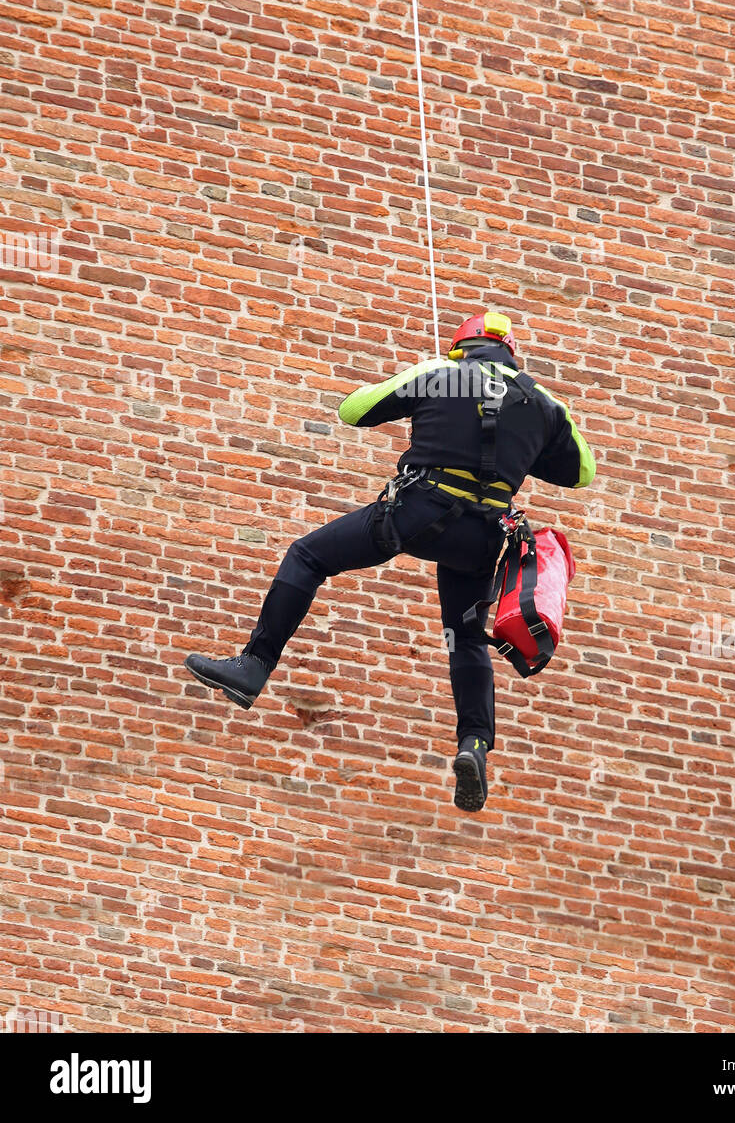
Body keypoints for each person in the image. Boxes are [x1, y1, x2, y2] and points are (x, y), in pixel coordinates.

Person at [185, 311, 595, 811]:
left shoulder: (439, 373)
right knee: (464, 637)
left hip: (417, 515)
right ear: (512, 352)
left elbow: (353, 410)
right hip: (480, 540)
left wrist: (427, 381)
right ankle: (474, 746)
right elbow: (581, 473)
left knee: (308, 556)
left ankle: (254, 666)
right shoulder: (545, 404)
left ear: (460, 347)